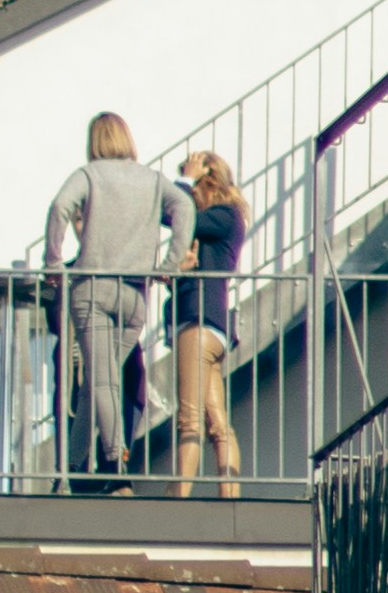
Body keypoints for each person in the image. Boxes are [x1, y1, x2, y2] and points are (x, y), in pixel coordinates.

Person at [45, 115, 192, 486]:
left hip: (92, 288)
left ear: (94, 141)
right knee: (98, 382)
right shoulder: (153, 180)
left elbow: (60, 206)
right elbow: (185, 208)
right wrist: (171, 263)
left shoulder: (89, 174)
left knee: (101, 382)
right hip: (135, 295)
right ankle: (72, 467)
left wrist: (52, 260)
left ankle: (115, 459)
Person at [172, 148, 247, 500]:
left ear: (208, 181)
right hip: (212, 325)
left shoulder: (223, 215)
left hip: (198, 323)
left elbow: (176, 213)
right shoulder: (223, 222)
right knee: (217, 422)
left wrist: (183, 181)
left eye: (195, 185)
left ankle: (177, 501)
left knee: (189, 419)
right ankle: (229, 500)